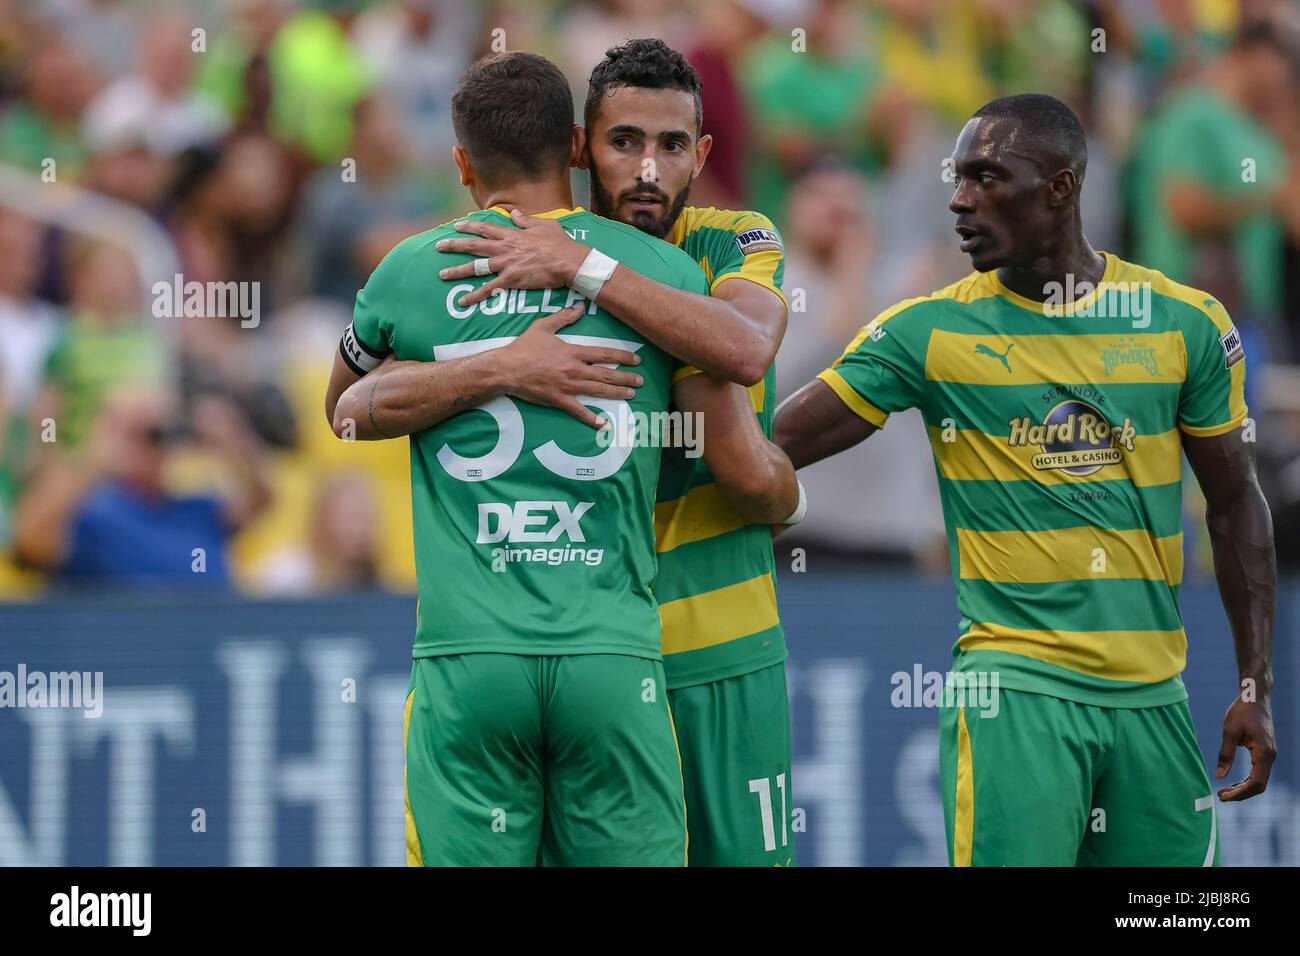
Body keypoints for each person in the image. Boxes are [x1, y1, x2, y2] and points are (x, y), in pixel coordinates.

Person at [324, 50, 800, 866]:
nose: (648, 169)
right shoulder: (674, 270)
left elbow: (346, 408)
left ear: (704, 153)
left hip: (700, 640)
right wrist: (508, 363)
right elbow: (754, 475)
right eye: (624, 142)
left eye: (673, 146)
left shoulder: (728, 242)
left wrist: (578, 265)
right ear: (579, 147)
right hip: (618, 653)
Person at [774, 93, 1277, 866]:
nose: (958, 199)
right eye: (957, 178)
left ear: (1060, 190)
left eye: (985, 177)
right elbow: (770, 449)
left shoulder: (1184, 323)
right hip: (1016, 696)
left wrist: (1254, 685)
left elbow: (1237, 501)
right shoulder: (927, 332)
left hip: (1156, 704)